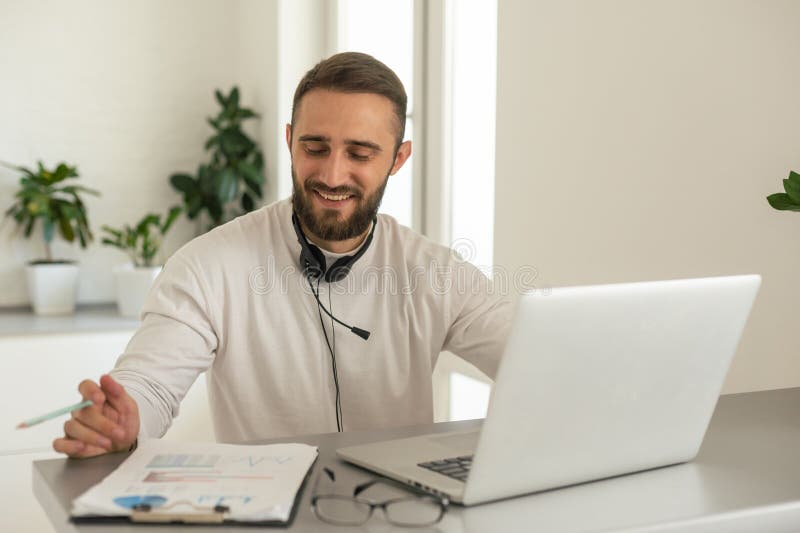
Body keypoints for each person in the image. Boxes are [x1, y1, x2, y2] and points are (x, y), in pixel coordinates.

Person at [53, 52, 512, 458]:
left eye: (360, 153)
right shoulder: (207, 265)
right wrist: (123, 421)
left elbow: (530, 355)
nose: (333, 174)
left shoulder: (437, 273)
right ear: (290, 140)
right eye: (315, 147)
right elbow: (149, 386)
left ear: (398, 159)